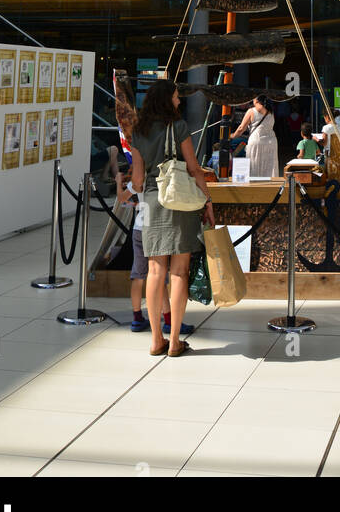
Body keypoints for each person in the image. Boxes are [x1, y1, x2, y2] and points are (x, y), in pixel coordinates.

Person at [129, 79, 213, 357]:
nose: (179, 101)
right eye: (176, 96)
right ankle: (175, 341)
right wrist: (208, 200)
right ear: (167, 100)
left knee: (155, 271)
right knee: (179, 272)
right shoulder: (179, 127)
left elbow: (138, 180)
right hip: (179, 201)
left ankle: (155, 340)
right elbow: (194, 168)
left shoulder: (138, 133)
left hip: (152, 203)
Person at [115, 166, 193, 339]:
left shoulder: (137, 182)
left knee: (139, 275)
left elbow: (121, 199)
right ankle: (169, 320)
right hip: (156, 228)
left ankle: (137, 317)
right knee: (160, 276)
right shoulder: (161, 180)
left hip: (138, 228)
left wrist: (118, 183)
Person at [230, 94, 279, 178]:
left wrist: (233, 136)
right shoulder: (271, 111)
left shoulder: (251, 111)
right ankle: (271, 186)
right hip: (271, 141)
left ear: (256, 100)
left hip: (257, 140)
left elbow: (241, 128)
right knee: (269, 166)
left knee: (255, 165)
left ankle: (255, 186)